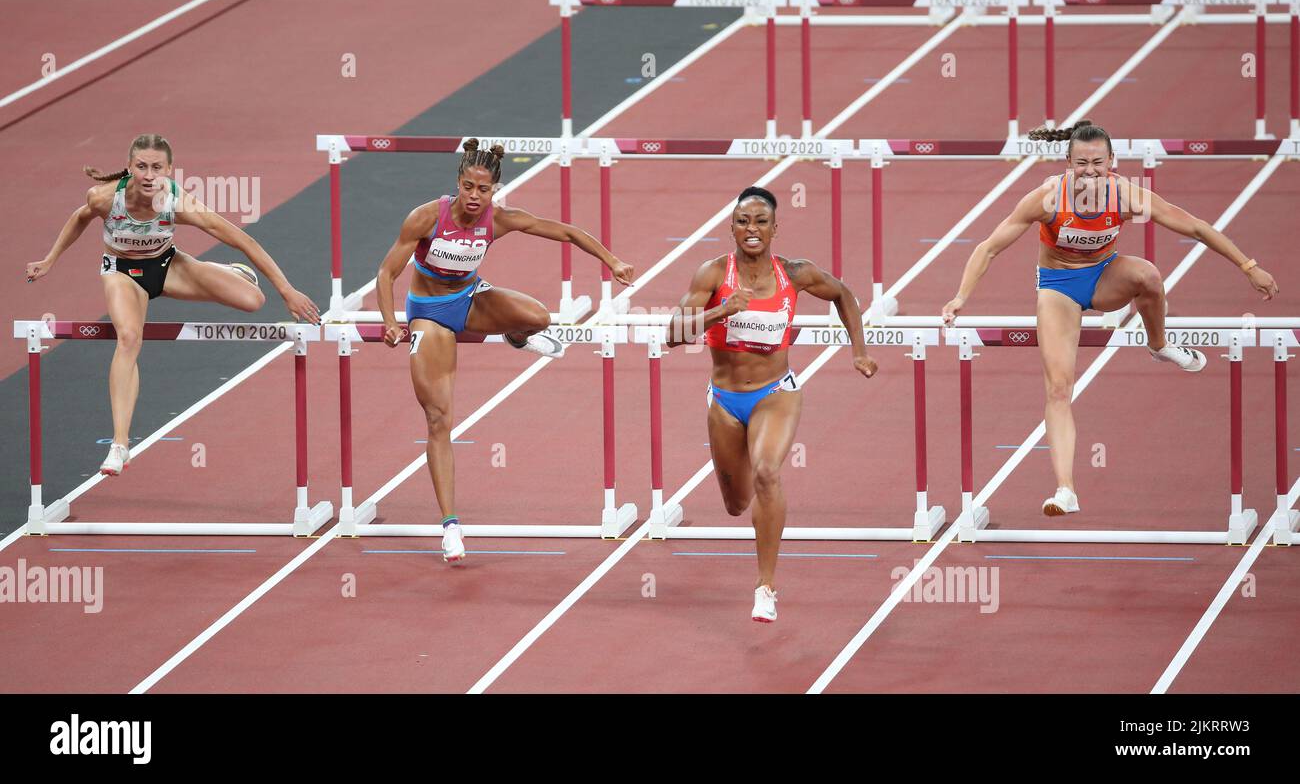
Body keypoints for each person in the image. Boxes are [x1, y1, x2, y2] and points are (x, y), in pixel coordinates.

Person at [942, 120, 1278, 516]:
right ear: (1068, 163)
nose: (1089, 171)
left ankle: (1159, 345)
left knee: (1149, 274)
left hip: (1106, 279)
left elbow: (1196, 227)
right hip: (1059, 288)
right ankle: (1065, 490)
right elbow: (989, 248)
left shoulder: (1125, 196)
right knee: (1058, 388)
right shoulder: (1048, 200)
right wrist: (961, 296)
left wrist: (1248, 265)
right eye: (1081, 163)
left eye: (1097, 163)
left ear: (1112, 162)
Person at [375, 138, 635, 563]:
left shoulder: (499, 220)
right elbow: (386, 273)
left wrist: (612, 261)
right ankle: (451, 527)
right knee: (439, 418)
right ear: (458, 183)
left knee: (539, 316)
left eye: (484, 190)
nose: (475, 197)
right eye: (468, 188)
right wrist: (390, 322)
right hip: (429, 315)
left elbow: (565, 231)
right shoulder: (426, 217)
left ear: (495, 190)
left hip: (470, 299)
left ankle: (517, 335)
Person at [26, 133, 320, 476]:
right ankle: (120, 445)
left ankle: (225, 272)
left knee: (253, 300)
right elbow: (79, 218)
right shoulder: (105, 198)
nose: (149, 175)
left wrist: (286, 289)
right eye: (141, 167)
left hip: (168, 267)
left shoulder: (178, 204)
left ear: (169, 170)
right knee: (129, 339)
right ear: (129, 167)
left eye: (156, 168)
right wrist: (50, 259)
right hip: (122, 273)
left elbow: (243, 239)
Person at [667, 186, 878, 622]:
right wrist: (719, 312)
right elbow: (672, 334)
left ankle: (765, 586)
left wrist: (858, 349)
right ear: (731, 227)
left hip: (775, 393)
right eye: (743, 221)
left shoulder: (795, 273)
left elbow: (844, 295)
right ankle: (753, 535)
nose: (752, 229)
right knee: (736, 504)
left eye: (761, 221)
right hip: (725, 400)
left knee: (767, 471)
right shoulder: (711, 274)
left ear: (775, 228)